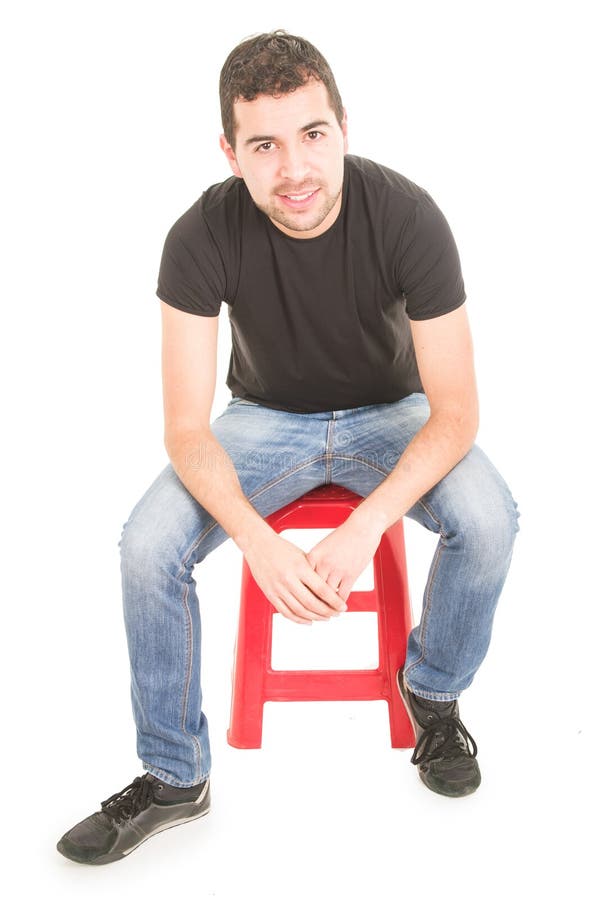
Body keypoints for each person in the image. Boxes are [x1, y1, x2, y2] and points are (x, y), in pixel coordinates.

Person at [57, 30, 519, 865]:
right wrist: (258, 539)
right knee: (146, 547)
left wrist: (362, 527)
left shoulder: (408, 214)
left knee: (490, 518)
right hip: (265, 421)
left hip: (393, 411)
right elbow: (186, 429)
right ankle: (173, 775)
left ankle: (433, 694)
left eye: (312, 135)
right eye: (264, 145)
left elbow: (455, 412)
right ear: (232, 153)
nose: (294, 168)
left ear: (345, 127)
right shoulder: (199, 235)